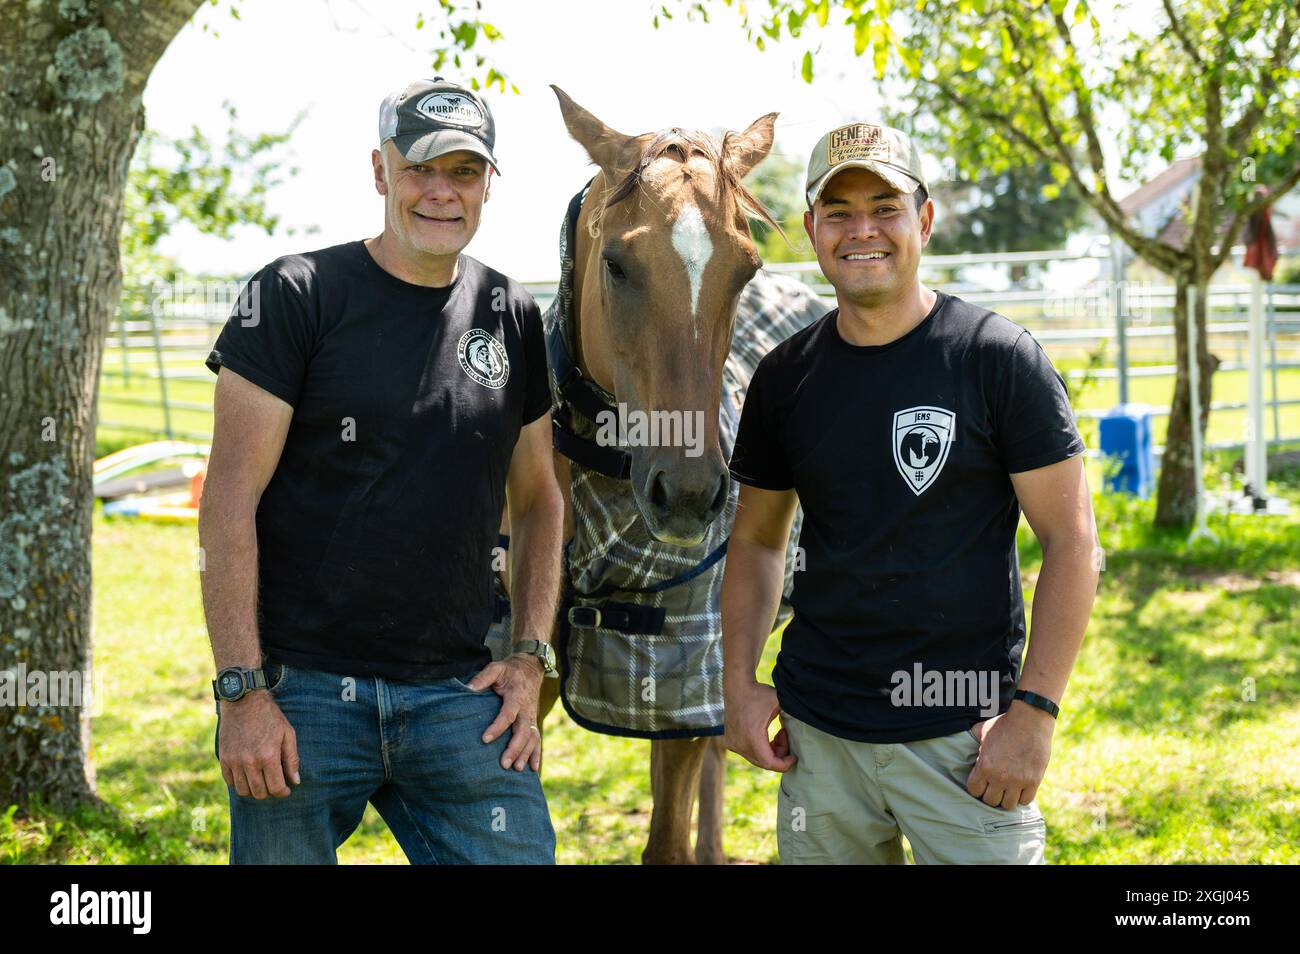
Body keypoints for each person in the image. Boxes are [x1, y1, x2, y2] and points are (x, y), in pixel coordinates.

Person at [199, 77, 563, 864]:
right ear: (379, 172)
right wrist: (242, 692)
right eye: (420, 169)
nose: (441, 192)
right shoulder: (297, 295)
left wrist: (531, 661)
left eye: (464, 172)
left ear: (488, 184)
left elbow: (541, 500)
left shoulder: (510, 313)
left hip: (458, 696)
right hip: (301, 698)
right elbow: (227, 504)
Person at [721, 121, 1099, 864]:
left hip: (965, 746)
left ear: (923, 220)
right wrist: (738, 682)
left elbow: (1073, 542)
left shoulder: (998, 360)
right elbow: (758, 540)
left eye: (884, 207)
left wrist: (1036, 712)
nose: (863, 230)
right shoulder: (786, 377)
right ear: (812, 229)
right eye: (839, 212)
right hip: (820, 743)